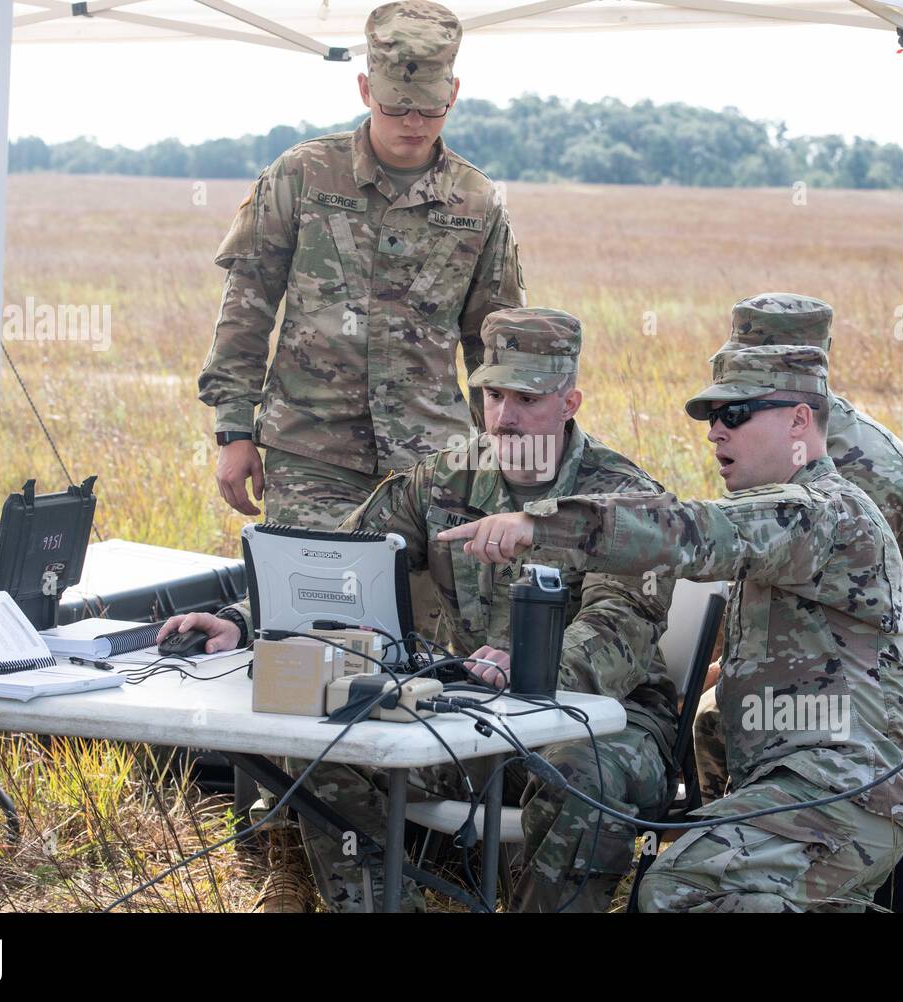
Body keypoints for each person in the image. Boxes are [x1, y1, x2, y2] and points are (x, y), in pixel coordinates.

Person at [166, 307, 678, 912]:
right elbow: (343, 569)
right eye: (492, 394)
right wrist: (245, 621)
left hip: (600, 722)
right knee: (324, 749)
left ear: (570, 403)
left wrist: (531, 665)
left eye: (527, 398)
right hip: (470, 715)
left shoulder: (624, 504)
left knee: (584, 775)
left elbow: (615, 630)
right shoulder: (445, 481)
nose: (505, 417)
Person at [192, 0, 523, 908]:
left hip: (432, 471)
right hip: (310, 455)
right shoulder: (301, 176)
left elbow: (491, 341)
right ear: (364, 87)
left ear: (455, 94)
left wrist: (511, 457)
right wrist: (232, 426)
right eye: (396, 107)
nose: (413, 125)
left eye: (430, 110)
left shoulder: (477, 201)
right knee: (295, 666)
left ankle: (414, 870)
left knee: (421, 665)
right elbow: (246, 306)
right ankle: (284, 874)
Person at [437, 344, 903, 912]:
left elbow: (692, 533)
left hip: (843, 793)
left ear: (799, 420)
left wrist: (538, 525)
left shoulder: (821, 515)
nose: (717, 432)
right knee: (682, 888)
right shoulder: (798, 522)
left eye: (736, 414)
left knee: (674, 894)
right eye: (711, 417)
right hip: (809, 789)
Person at [691, 293, 903, 799]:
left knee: (726, 717)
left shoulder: (860, 467)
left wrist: (724, 676)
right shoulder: (778, 441)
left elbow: (853, 614)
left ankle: (744, 843)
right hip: (843, 639)